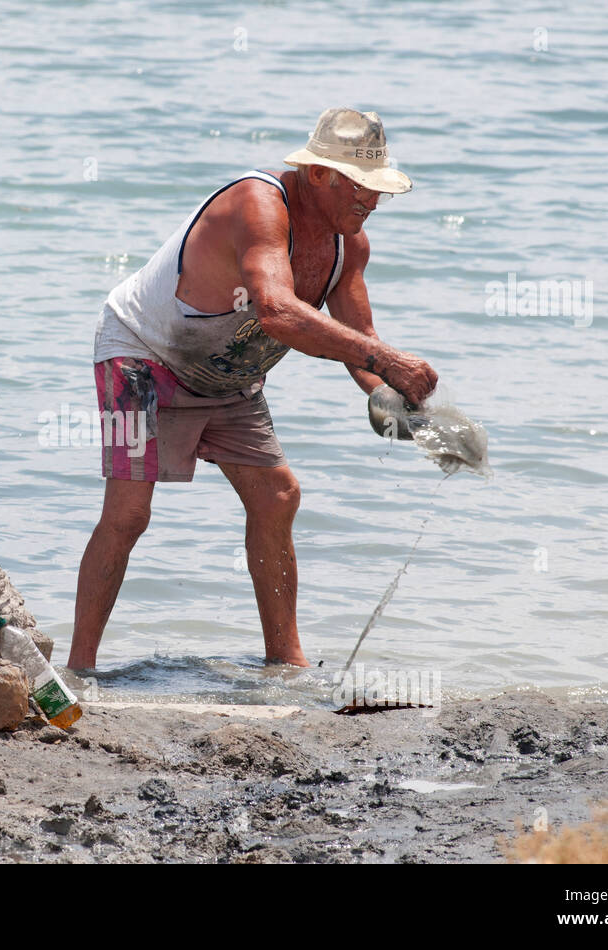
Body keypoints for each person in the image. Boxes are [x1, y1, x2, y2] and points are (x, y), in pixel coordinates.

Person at [67, 107, 439, 670]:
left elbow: (361, 340)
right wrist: (387, 360)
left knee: (279, 496)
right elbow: (277, 312)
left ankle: (286, 666)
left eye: (378, 189)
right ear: (319, 174)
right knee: (129, 513)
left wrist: (400, 400)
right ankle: (79, 671)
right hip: (143, 353)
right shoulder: (257, 204)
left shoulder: (348, 247)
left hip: (228, 376)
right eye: (360, 186)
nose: (371, 201)